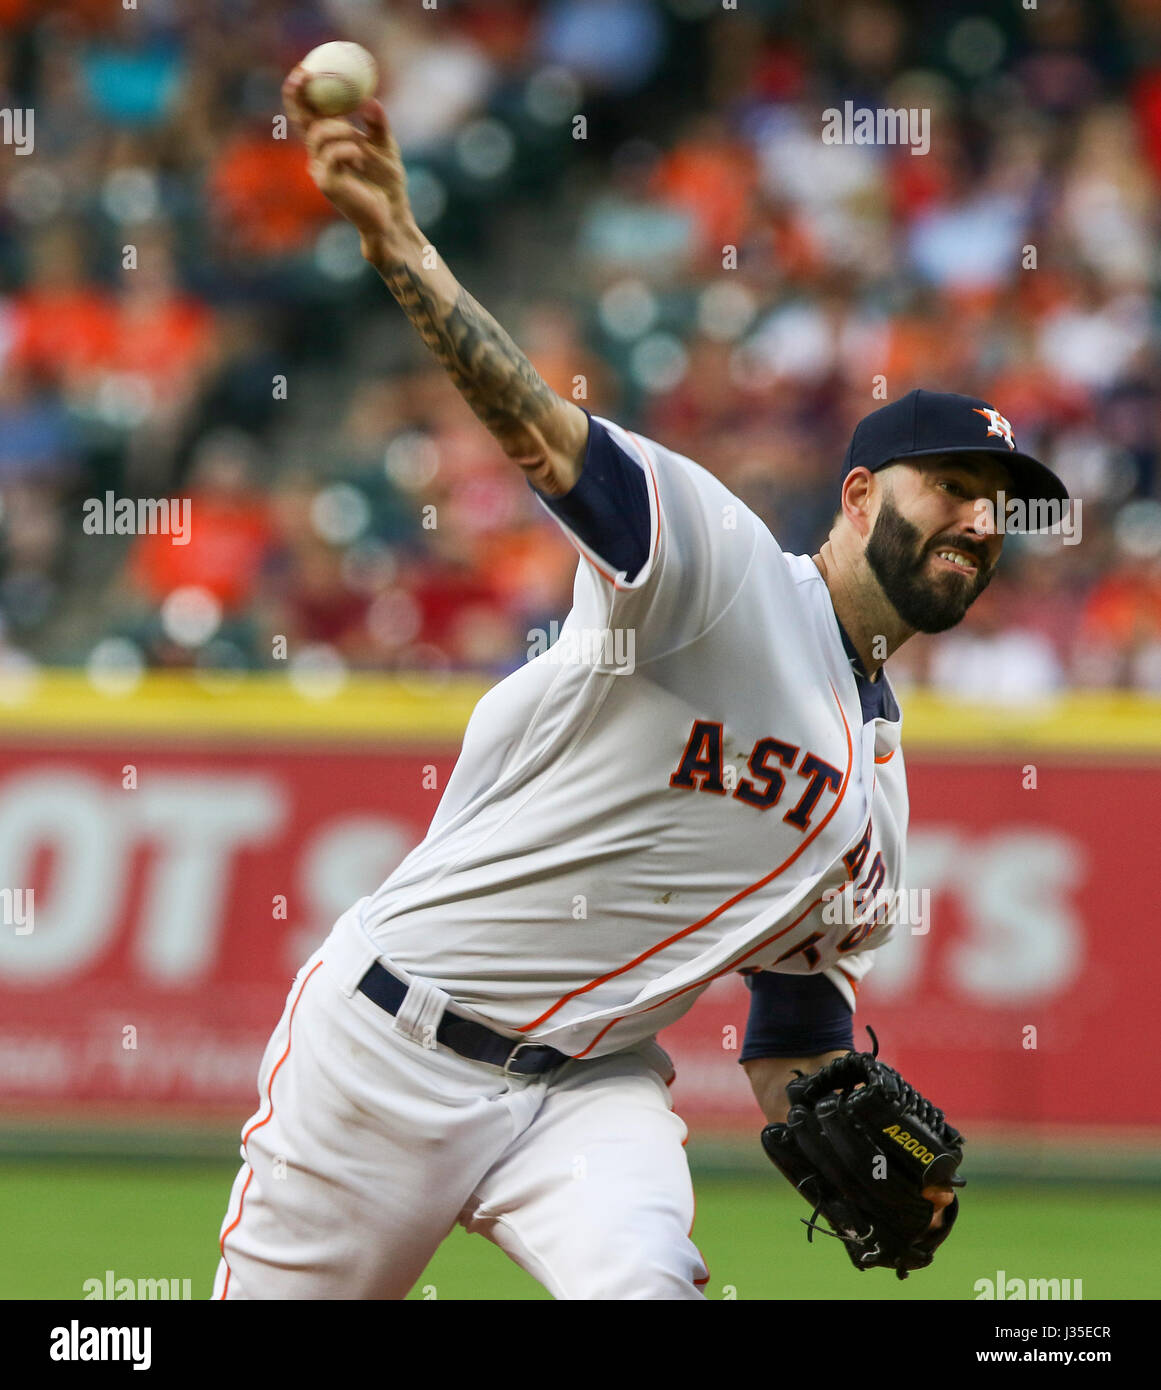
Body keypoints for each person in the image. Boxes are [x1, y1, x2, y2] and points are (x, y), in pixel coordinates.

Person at [212, 75, 1069, 1301]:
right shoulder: (719, 573)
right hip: (390, 1041)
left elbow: (796, 1035)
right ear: (864, 498)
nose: (980, 520)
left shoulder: (879, 807)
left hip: (591, 1087)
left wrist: (846, 1130)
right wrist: (400, 242)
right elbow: (545, 435)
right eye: (951, 486)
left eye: (1000, 506)